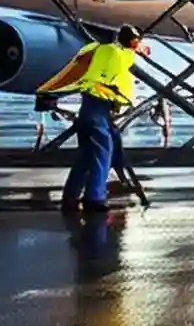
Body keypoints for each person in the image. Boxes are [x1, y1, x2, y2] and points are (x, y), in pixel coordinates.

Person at [36, 25, 142, 213]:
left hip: (93, 108)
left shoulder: (92, 50)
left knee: (86, 155)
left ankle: (71, 197)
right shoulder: (115, 54)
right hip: (99, 108)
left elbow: (72, 74)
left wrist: (48, 91)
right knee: (102, 153)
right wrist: (139, 49)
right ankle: (94, 198)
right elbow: (125, 59)